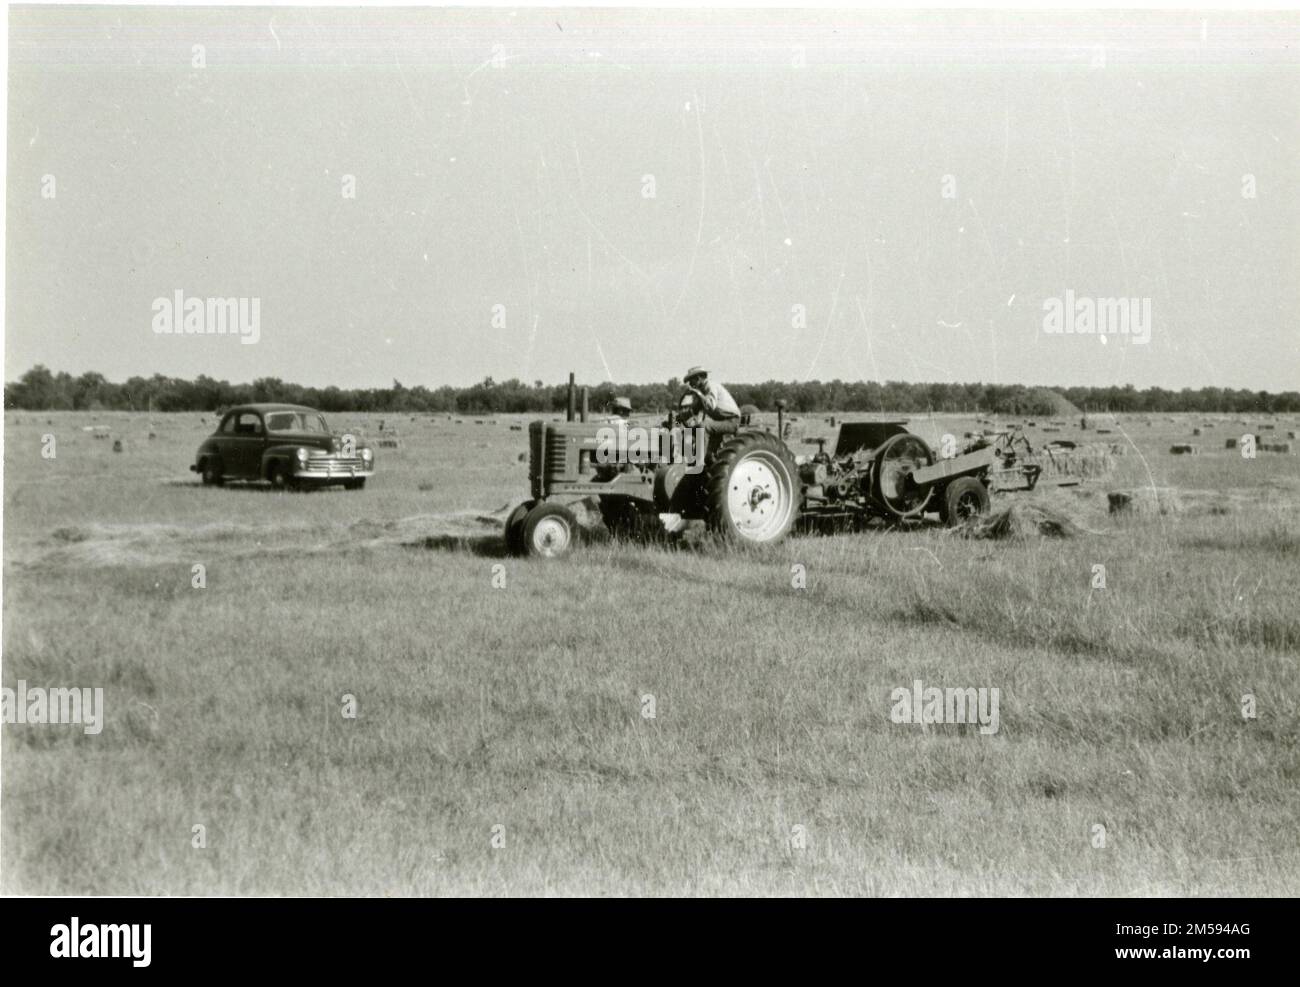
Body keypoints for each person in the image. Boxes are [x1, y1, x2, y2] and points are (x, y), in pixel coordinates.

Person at [683, 366, 740, 434]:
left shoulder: (710, 386)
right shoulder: (702, 392)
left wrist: (697, 393)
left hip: (731, 421)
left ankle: (701, 445)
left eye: (691, 380)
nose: (690, 384)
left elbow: (710, 406)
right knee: (689, 431)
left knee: (703, 427)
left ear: (698, 378)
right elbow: (694, 410)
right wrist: (677, 419)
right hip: (720, 421)